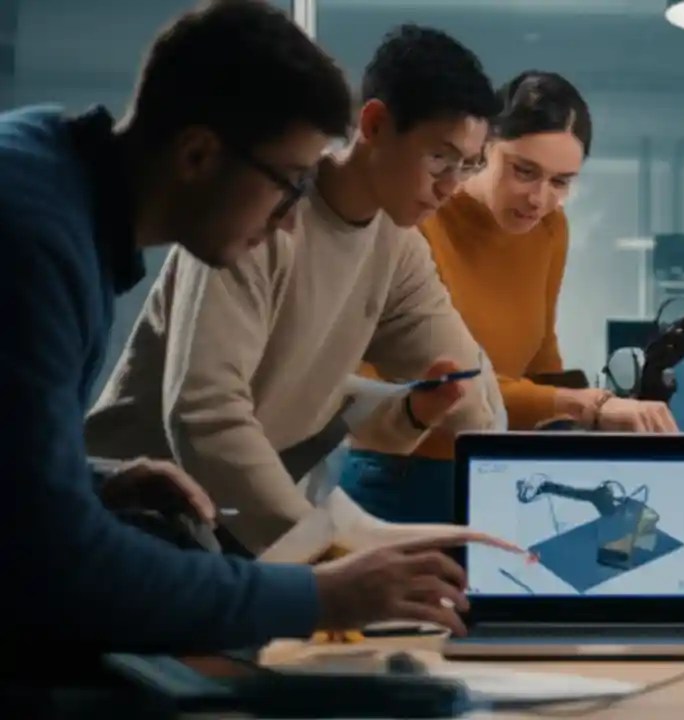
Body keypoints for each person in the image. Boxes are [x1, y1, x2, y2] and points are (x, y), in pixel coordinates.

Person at [0, 0, 509, 660]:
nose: (295, 220)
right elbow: (60, 561)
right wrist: (321, 591)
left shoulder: (58, 186)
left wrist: (95, 481)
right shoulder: (35, 241)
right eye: (292, 182)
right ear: (199, 155)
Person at [84, 22, 510, 557]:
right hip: (130, 516)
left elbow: (471, 386)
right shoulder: (256, 211)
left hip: (230, 526)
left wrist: (498, 482)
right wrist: (322, 555)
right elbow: (204, 413)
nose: (451, 186)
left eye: (468, 165)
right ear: (374, 123)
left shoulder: (397, 245)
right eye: (440, 157)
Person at [339, 71, 677, 523]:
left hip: (491, 469)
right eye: (524, 171)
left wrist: (593, 425)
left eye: (561, 182)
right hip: (393, 470)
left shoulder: (551, 230)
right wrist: (589, 405)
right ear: (483, 148)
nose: (539, 199)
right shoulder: (422, 217)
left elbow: (541, 355)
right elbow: (450, 382)